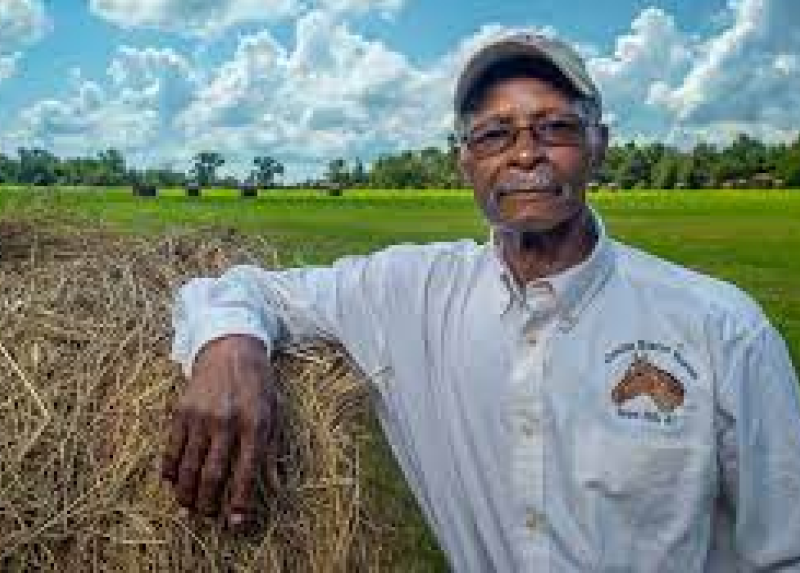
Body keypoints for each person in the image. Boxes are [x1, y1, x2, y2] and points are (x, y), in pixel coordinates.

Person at [162, 31, 800, 571]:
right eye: (495, 135)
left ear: (599, 145)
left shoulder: (721, 328)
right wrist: (229, 346)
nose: (526, 154)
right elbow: (240, 288)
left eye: (555, 128)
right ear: (464, 162)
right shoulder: (408, 294)